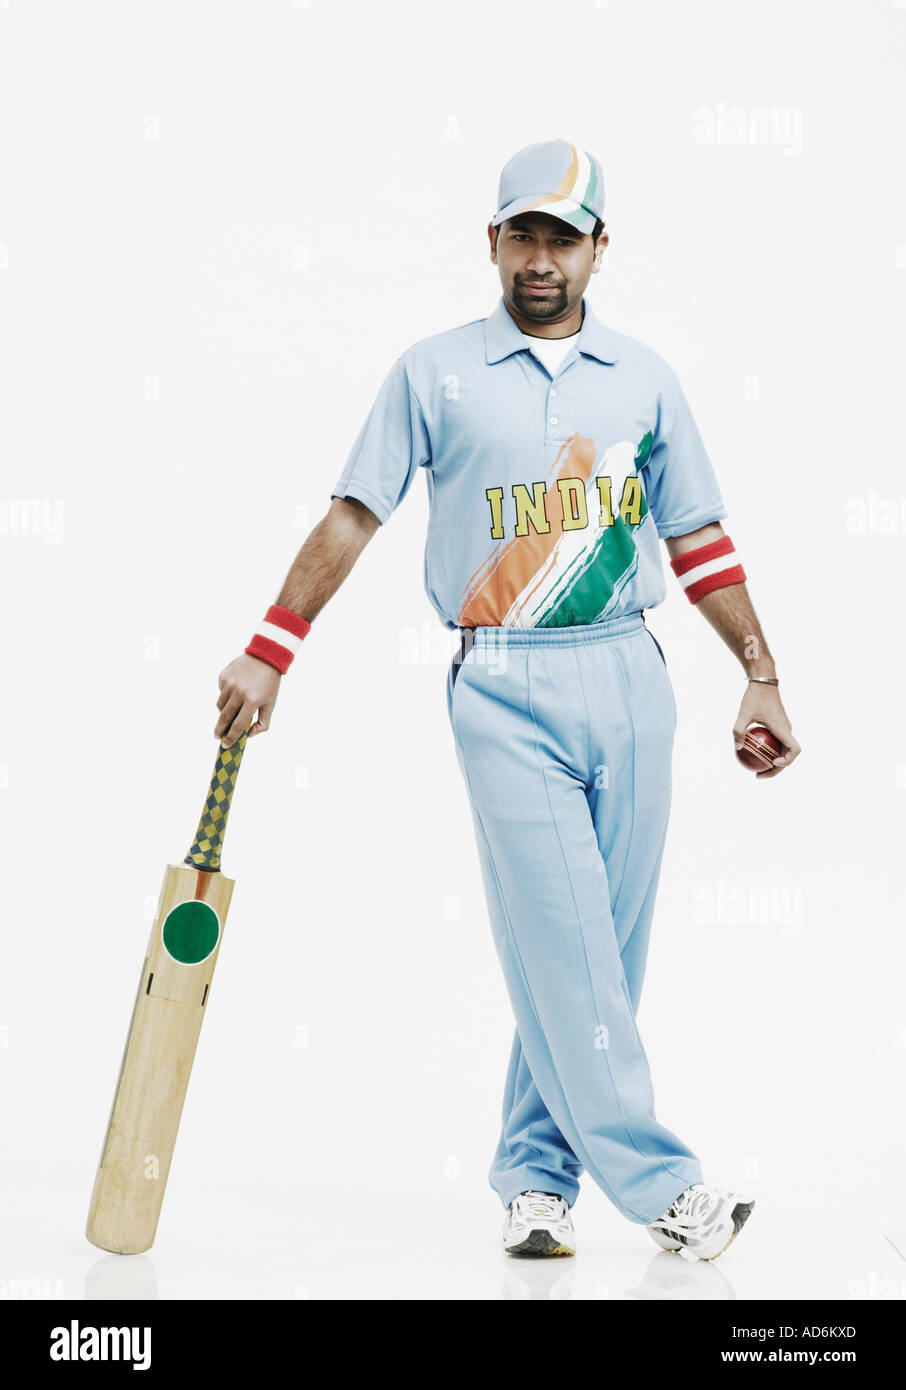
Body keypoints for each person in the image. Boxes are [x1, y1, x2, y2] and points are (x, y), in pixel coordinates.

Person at [214, 139, 800, 1262]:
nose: (541, 259)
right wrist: (270, 649)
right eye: (522, 235)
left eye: (562, 239)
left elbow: (698, 537)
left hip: (630, 672)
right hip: (503, 679)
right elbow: (354, 513)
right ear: (491, 241)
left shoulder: (645, 378)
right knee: (567, 940)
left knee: (596, 952)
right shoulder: (433, 372)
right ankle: (665, 1186)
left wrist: (759, 674)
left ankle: (537, 1181)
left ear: (599, 250)